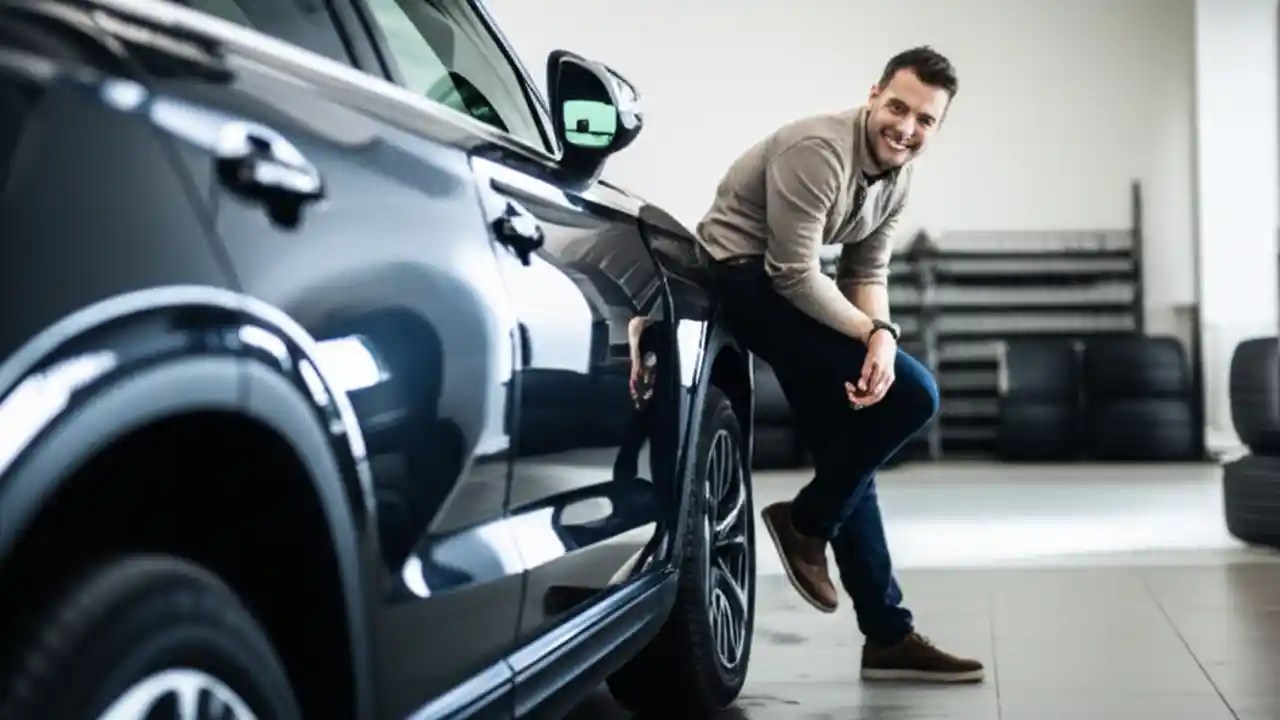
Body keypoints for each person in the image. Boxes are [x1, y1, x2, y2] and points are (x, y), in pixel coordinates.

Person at [694, 46, 984, 682]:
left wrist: (877, 338)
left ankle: (886, 634)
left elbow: (865, 271)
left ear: (938, 127)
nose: (906, 128)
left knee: (850, 450)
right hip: (737, 281)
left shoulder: (898, 177)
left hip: (787, 289)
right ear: (874, 93)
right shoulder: (818, 150)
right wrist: (877, 336)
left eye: (925, 120)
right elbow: (791, 271)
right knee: (915, 394)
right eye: (897, 108)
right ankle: (804, 523)